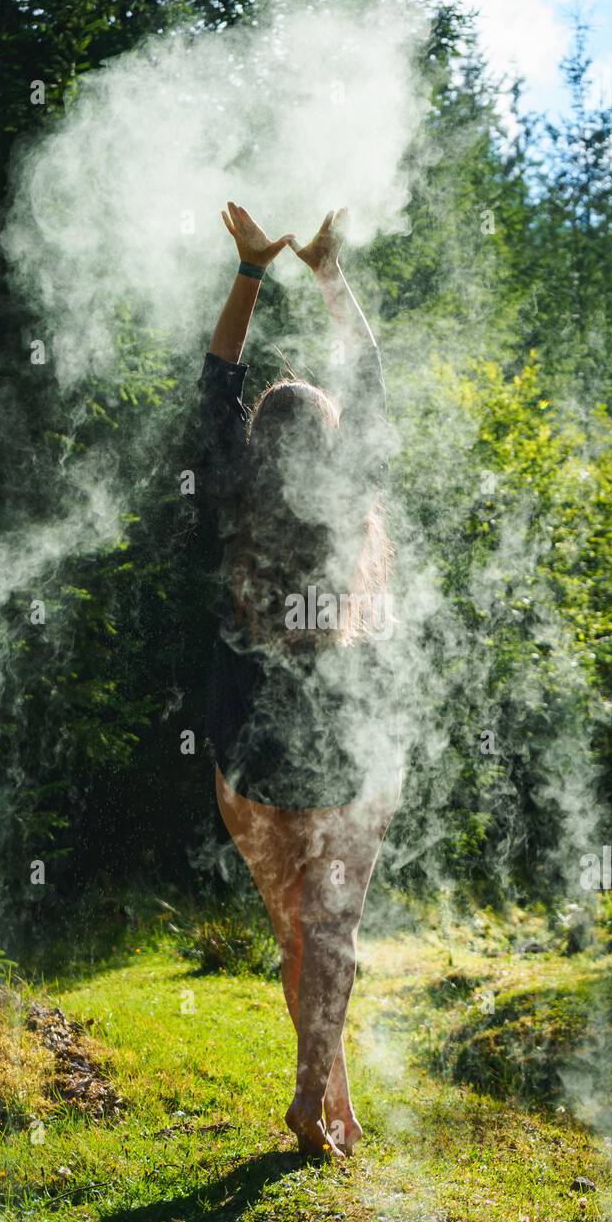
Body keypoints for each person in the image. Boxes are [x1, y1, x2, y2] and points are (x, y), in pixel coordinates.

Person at [196, 202, 403, 1159]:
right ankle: (305, 1093)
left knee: (297, 938)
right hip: (344, 754)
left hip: (246, 756)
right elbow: (370, 375)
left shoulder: (230, 496)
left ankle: (333, 1102)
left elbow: (214, 386)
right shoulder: (349, 491)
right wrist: (327, 273)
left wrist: (249, 271)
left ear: (256, 445)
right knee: (336, 937)